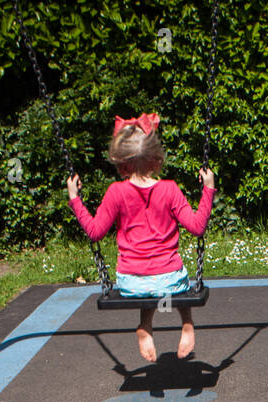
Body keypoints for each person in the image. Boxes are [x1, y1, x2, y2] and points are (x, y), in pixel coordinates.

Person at [68, 113, 215, 361]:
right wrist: (208, 188)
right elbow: (197, 227)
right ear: (156, 160)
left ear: (122, 163)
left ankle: (145, 325)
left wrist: (74, 198)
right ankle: (187, 322)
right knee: (177, 278)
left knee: (147, 287)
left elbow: (94, 232)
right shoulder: (169, 189)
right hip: (169, 281)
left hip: (131, 284)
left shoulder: (116, 192)